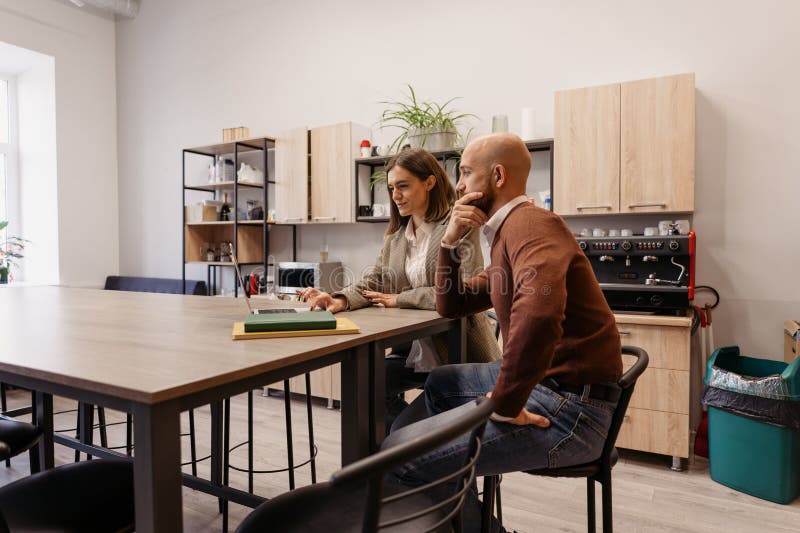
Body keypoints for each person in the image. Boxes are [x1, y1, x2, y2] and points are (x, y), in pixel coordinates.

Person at [384, 133, 623, 532]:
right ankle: (444, 480)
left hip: (570, 412)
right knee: (441, 384)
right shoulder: (509, 233)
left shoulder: (531, 224)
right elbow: (452, 304)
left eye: (465, 173)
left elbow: (540, 315)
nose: (458, 186)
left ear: (497, 176)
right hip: (557, 391)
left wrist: (507, 403)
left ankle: (438, 481)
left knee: (401, 459)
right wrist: (448, 244)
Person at [298, 148, 500, 430]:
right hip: (414, 353)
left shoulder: (457, 226)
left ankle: (416, 445)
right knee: (363, 385)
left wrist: (401, 299)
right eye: (392, 188)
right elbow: (376, 279)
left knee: (400, 431)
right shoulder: (395, 236)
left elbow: (459, 289)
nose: (395, 195)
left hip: (457, 353)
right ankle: (406, 447)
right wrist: (340, 299)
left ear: (429, 182)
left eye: (403, 186)